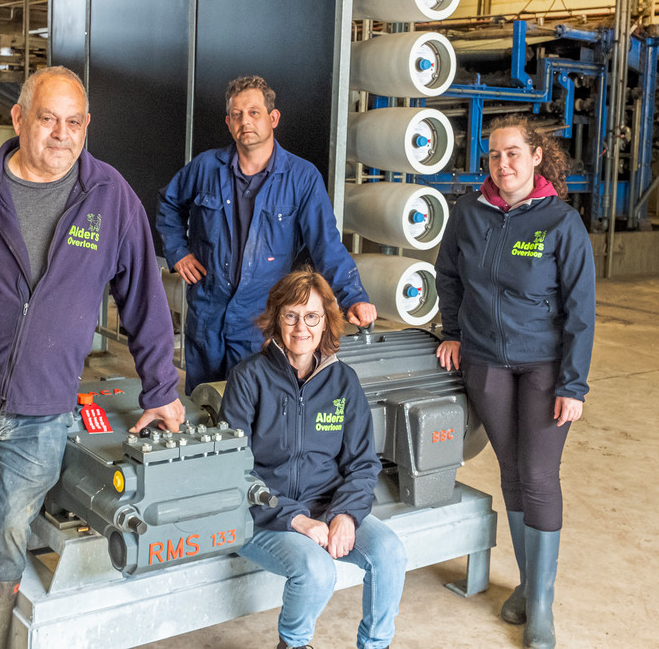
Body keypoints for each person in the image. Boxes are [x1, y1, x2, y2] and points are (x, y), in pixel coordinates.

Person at [0, 67, 184, 649]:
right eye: (47, 118)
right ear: (19, 119)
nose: (61, 134)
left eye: (74, 122)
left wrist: (162, 387)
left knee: (5, 537)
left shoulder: (110, 197)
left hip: (42, 410)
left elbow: (145, 298)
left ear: (87, 126)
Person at [434, 114, 595, 649]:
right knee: (510, 471)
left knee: (539, 475)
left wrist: (573, 384)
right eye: (494, 156)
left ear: (534, 158)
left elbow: (581, 310)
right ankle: (526, 586)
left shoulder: (560, 223)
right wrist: (452, 331)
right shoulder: (469, 214)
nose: (502, 164)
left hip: (545, 365)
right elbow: (448, 273)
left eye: (512, 154)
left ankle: (541, 608)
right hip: (486, 362)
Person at [156, 75, 376, 392]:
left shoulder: (301, 178)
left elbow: (326, 246)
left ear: (273, 118)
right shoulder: (206, 167)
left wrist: (353, 296)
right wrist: (178, 252)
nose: (246, 121)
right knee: (201, 405)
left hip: (260, 321)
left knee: (253, 409)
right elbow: (169, 203)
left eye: (254, 112)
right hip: (207, 315)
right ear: (229, 122)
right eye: (237, 114)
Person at [222, 270, 405, 649]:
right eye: (290, 315)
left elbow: (363, 463)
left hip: (327, 509)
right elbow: (232, 469)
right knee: (317, 570)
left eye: (311, 316)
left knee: (389, 551)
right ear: (276, 319)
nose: (300, 327)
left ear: (326, 323)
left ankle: (376, 644)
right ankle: (293, 644)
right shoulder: (248, 379)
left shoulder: (343, 382)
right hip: (261, 517)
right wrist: (295, 518)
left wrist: (345, 515)